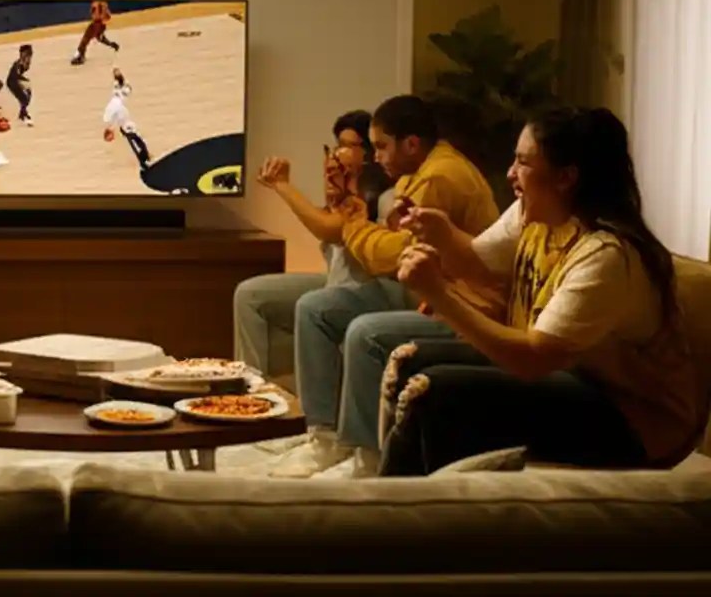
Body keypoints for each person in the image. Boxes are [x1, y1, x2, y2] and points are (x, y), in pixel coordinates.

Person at [374, 107, 709, 475]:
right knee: (410, 361)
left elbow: (533, 359)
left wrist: (439, 295)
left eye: (523, 162)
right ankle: (391, 496)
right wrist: (441, 233)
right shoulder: (535, 213)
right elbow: (478, 263)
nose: (510, 173)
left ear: (565, 177)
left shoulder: (606, 255)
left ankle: (396, 507)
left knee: (432, 392)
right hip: (571, 373)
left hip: (631, 415)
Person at [274, 94, 502, 478]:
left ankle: (367, 457)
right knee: (314, 308)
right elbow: (392, 240)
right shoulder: (419, 171)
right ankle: (324, 437)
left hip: (459, 304)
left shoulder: (440, 176)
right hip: (424, 292)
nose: (376, 156)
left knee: (365, 332)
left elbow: (394, 257)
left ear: (410, 143)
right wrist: (357, 217)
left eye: (380, 146)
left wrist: (353, 224)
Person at [236, 110, 392, 378]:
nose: (336, 155)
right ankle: (252, 384)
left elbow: (330, 229)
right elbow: (326, 218)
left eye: (347, 146)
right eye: (337, 145)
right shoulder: (344, 185)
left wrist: (283, 186)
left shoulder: (379, 193)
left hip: (370, 292)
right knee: (250, 295)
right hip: (336, 282)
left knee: (313, 304)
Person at [102, 68, 151, 170]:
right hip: (125, 125)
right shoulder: (117, 99)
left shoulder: (117, 94)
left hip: (126, 123)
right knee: (136, 142)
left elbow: (121, 86)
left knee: (138, 141)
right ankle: (144, 161)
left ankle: (145, 159)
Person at [71, 0, 120, 66]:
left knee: (86, 39)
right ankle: (80, 54)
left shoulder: (98, 4)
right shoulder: (102, 4)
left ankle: (79, 55)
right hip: (100, 23)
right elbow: (107, 16)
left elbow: (97, 14)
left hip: (97, 23)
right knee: (96, 37)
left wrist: (99, 17)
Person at [6, 44, 35, 126]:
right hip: (12, 82)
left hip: (15, 81)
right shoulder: (19, 63)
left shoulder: (25, 62)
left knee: (26, 95)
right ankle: (23, 114)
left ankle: (23, 113)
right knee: (24, 98)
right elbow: (15, 75)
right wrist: (24, 80)